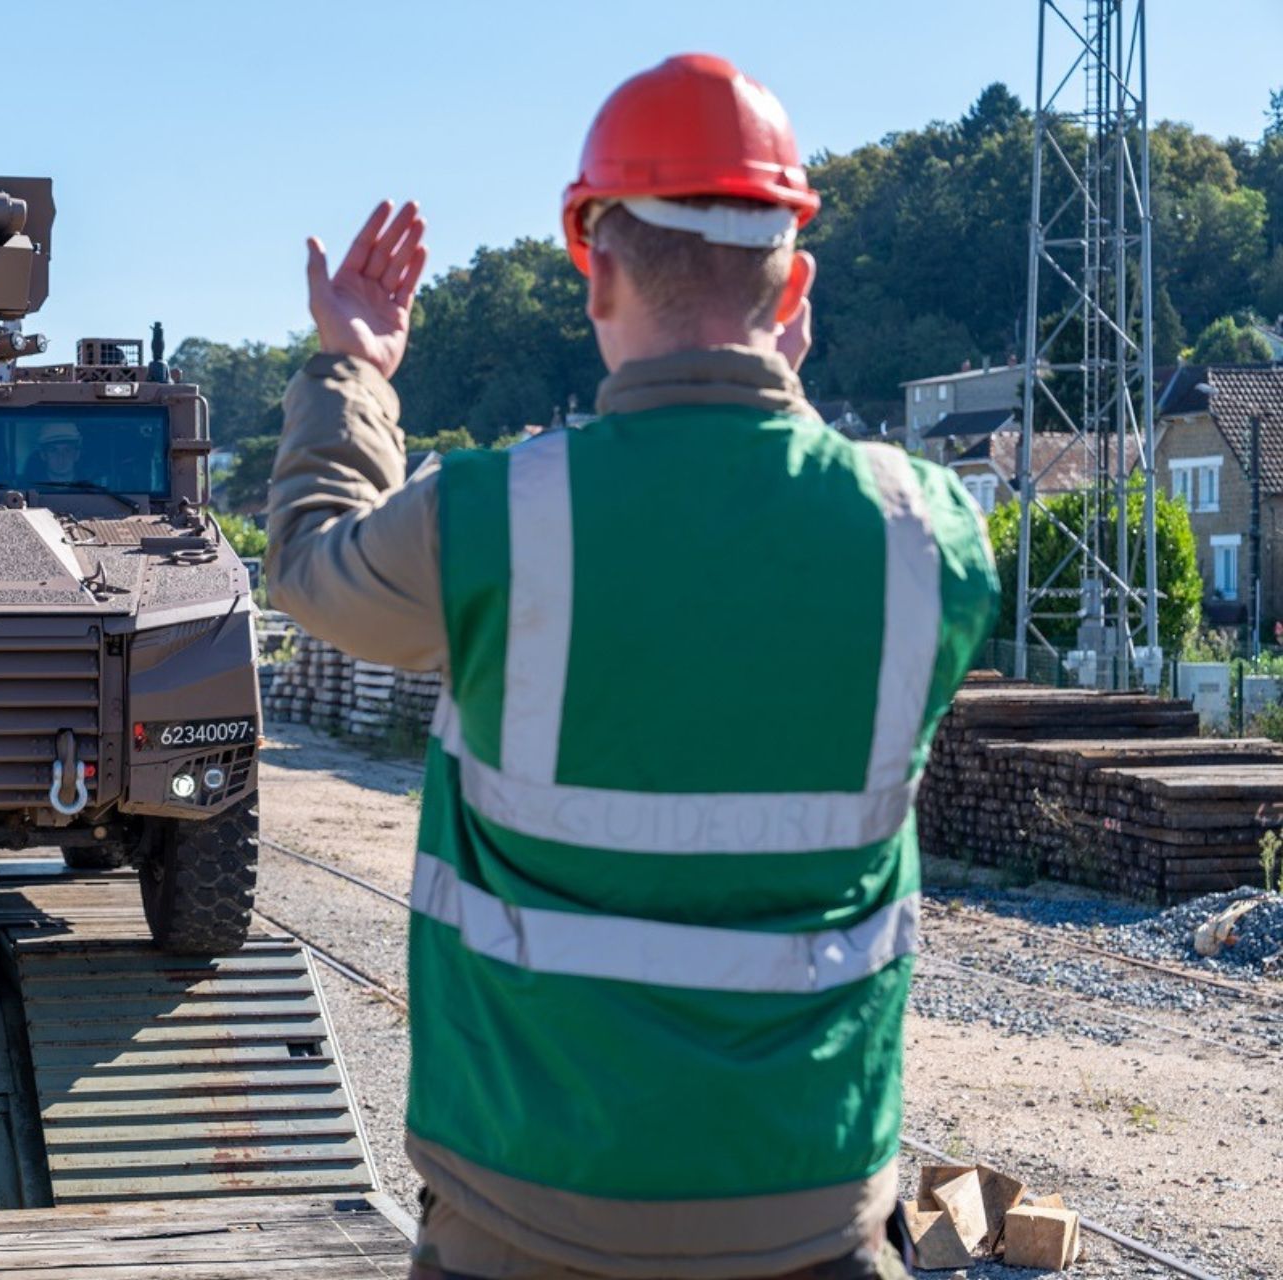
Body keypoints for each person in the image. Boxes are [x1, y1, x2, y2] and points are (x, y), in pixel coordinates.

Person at [266, 54, 998, 1280]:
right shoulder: (929, 536)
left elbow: (307, 562)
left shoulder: (490, 518)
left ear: (597, 272)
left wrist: (355, 367)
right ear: (794, 285)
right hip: (807, 1206)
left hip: (519, 1209)